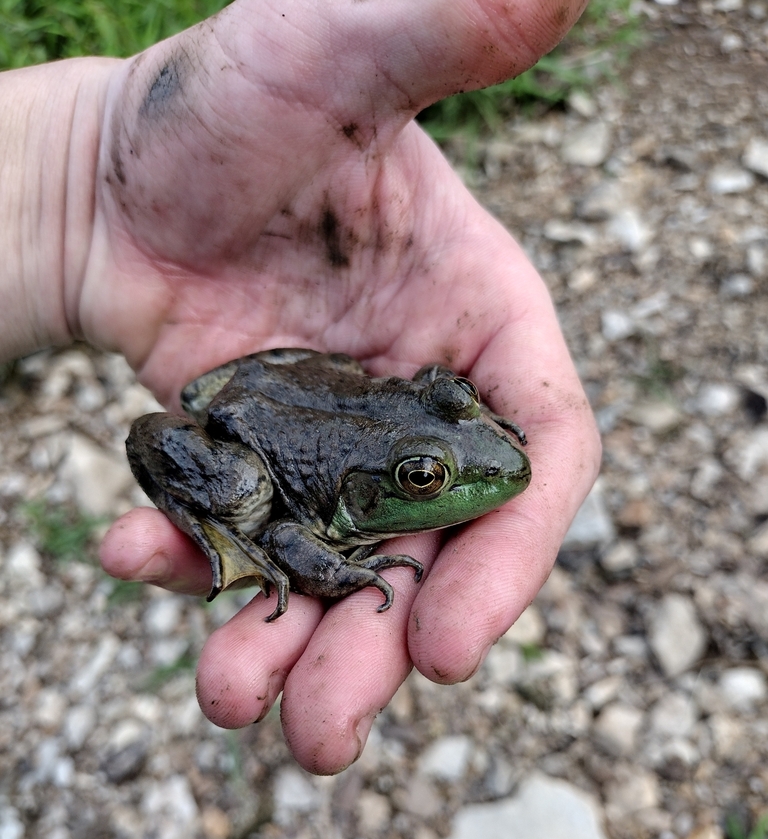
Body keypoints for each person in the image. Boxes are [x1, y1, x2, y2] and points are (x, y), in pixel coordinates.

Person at [0, 0, 601, 774]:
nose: (481, 432)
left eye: (460, 398)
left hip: (286, 389)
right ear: (390, 490)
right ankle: (221, 524)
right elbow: (288, 535)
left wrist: (80, 182)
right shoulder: (337, 507)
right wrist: (341, 567)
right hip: (259, 436)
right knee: (249, 495)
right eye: (426, 477)